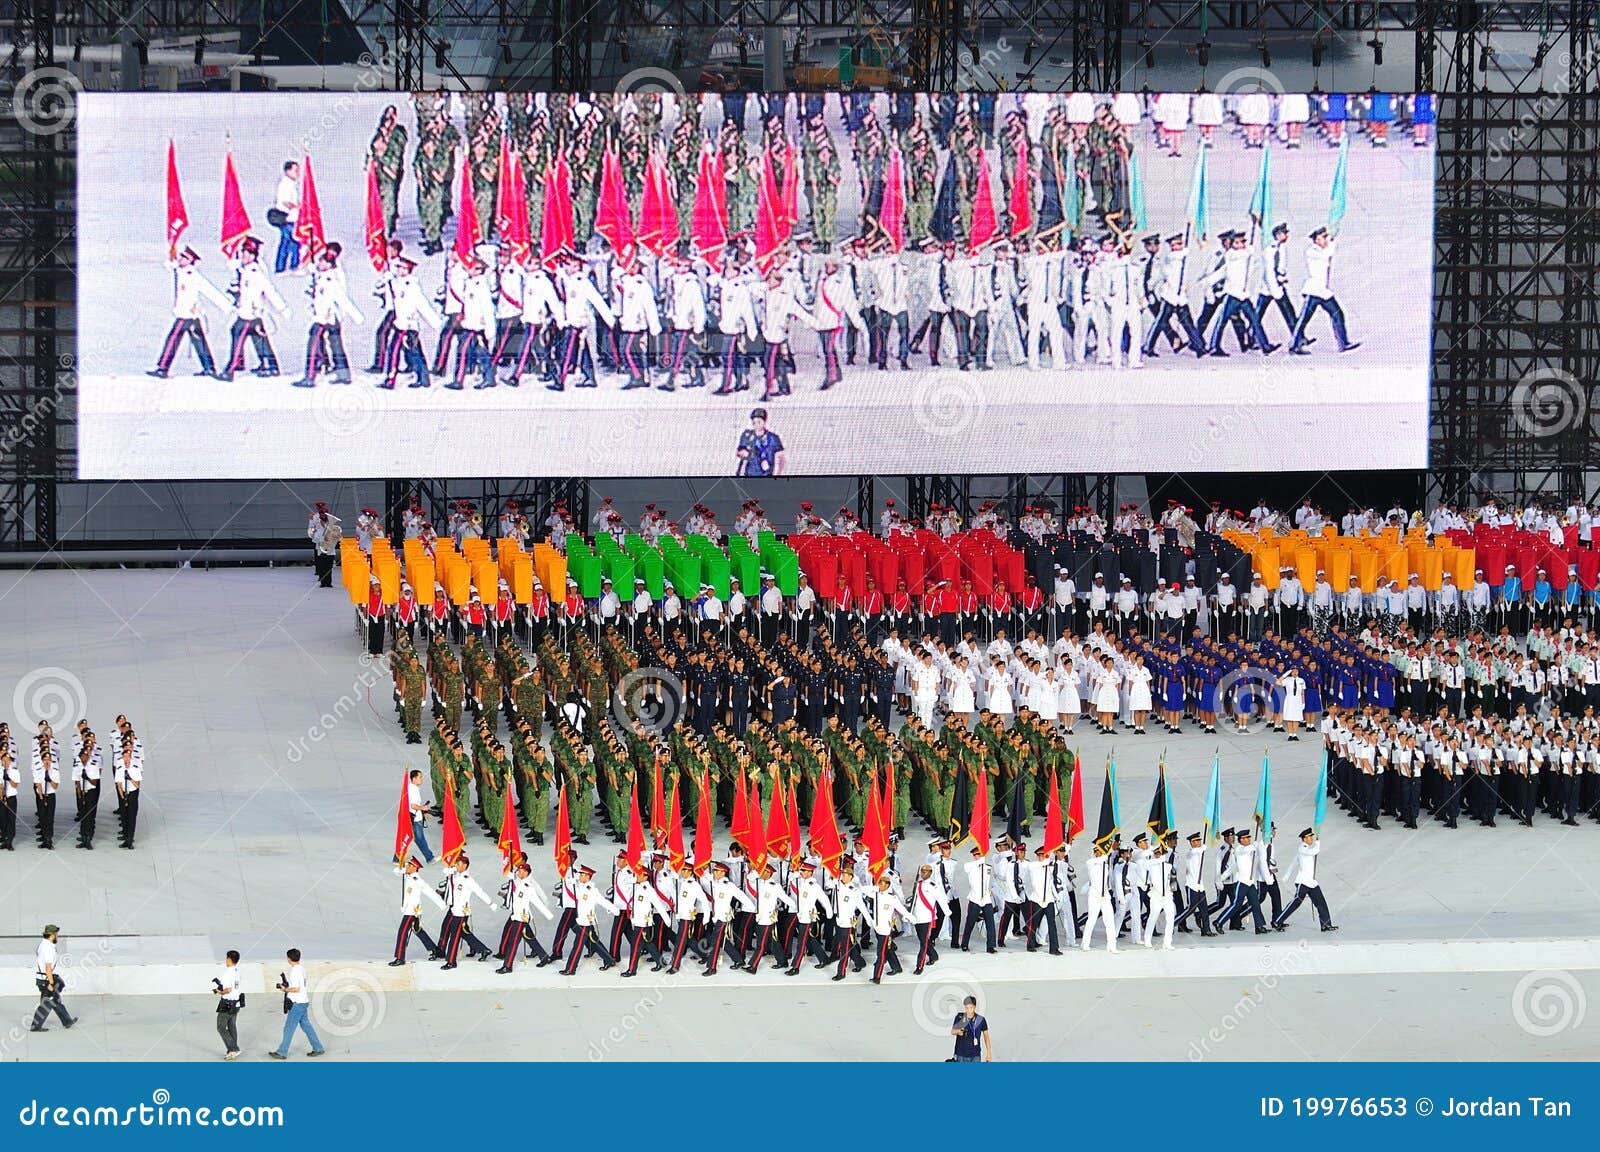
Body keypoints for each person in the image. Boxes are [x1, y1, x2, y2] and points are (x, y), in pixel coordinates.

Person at [1272, 828, 1339, 932]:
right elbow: (1315, 851)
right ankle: (1277, 921)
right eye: (1309, 837)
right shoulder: (1302, 848)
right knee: (1295, 903)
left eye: (1312, 836)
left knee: (1321, 902)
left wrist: (1286, 876)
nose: (1311, 838)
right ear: (1304, 839)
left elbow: (1294, 863)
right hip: (1303, 882)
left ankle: (1325, 924)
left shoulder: (1305, 850)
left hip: (1311, 882)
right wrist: (1318, 841)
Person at [269, 947, 326, 1059]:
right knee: (306, 1026)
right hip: (303, 1001)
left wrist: (285, 989)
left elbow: (296, 988)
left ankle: (282, 1052)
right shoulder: (301, 969)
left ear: (289, 958)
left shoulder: (294, 971)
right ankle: (318, 1048)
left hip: (297, 1003)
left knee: (289, 1027)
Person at [390, 856, 444, 965]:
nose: (407, 867)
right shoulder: (407, 875)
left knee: (402, 932)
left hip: (412, 911)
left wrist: (441, 904)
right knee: (417, 930)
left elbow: (429, 892)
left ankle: (400, 957)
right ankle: (435, 950)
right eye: (407, 865)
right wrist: (401, 865)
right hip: (408, 910)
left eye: (410, 865)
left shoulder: (417, 880)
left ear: (415, 868)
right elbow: (396, 871)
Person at [29, 925, 75, 1033]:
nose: (57, 936)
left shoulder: (44, 944)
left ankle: (67, 1021)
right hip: (46, 979)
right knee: (47, 1003)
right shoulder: (48, 948)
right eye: (56, 934)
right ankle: (35, 1026)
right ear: (51, 935)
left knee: (55, 1000)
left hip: (43, 978)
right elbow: (48, 967)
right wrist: (51, 982)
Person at [735, 408, 786, 477]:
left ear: (764, 421)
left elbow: (781, 458)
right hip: (749, 475)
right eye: (754, 422)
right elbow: (739, 452)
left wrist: (777, 474)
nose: (756, 425)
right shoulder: (747, 435)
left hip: (766, 476)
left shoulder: (773, 438)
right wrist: (749, 454)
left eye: (759, 422)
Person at [214, 949, 243, 1059]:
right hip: (236, 1002)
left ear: (229, 959)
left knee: (221, 1026)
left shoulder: (227, 972)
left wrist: (219, 992)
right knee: (232, 1026)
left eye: (226, 958)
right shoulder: (237, 971)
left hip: (227, 1003)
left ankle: (234, 1048)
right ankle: (232, 1051)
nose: (226, 960)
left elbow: (228, 989)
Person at [950, 994, 992, 1062]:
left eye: (971, 1007)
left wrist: (989, 1053)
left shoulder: (980, 1019)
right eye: (966, 1008)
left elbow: (986, 1036)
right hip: (960, 1054)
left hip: (975, 1055)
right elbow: (952, 1031)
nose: (968, 1010)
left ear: (975, 1007)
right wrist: (958, 1031)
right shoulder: (960, 1017)